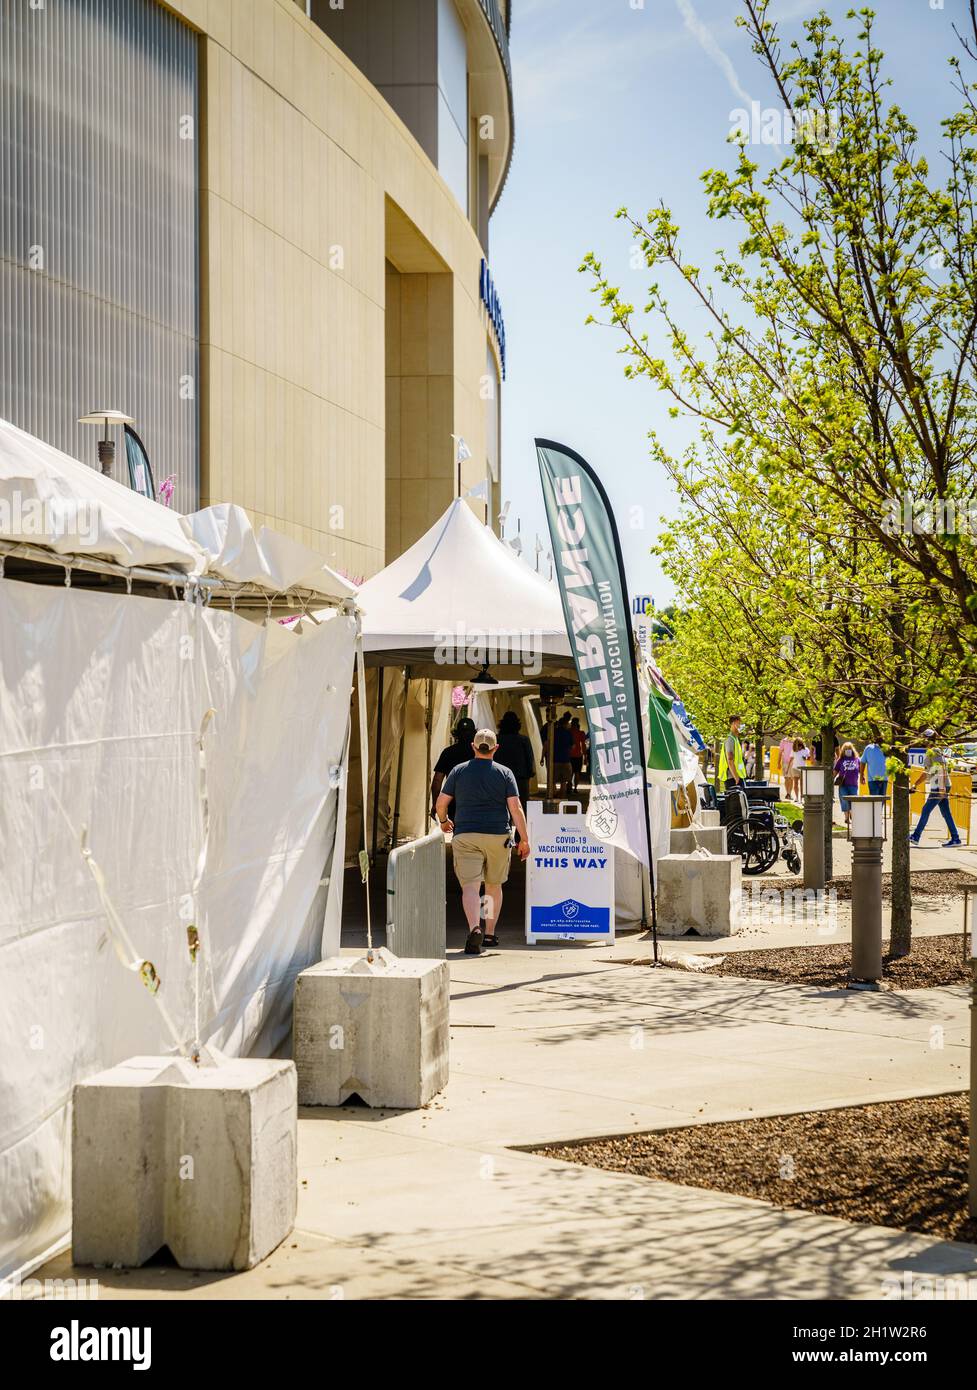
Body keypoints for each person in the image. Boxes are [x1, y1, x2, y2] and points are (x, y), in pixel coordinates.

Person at [436, 728, 531, 954]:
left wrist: (443, 821)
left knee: (470, 886)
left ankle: (474, 928)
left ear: (473, 747)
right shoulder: (505, 773)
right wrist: (524, 839)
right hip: (498, 835)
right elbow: (515, 808)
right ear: (496, 748)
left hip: (466, 835)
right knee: (493, 885)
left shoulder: (459, 771)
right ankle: (489, 934)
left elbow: (441, 802)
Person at [910, 730, 962, 847]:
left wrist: (942, 788)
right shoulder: (930, 752)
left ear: (928, 738)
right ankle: (955, 838)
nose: (921, 739)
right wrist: (915, 784)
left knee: (926, 810)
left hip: (939, 786)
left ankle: (916, 836)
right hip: (939, 785)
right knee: (946, 813)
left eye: (923, 737)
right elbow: (927, 772)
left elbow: (942, 769)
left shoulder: (935, 751)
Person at [430, 717, 475, 822]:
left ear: (457, 733)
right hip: (476, 800)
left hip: (454, 801)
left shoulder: (448, 752)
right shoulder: (480, 753)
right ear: (474, 733)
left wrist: (436, 803)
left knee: (458, 832)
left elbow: (437, 781)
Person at [495, 710, 536, 808]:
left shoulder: (497, 739)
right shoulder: (523, 740)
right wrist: (530, 773)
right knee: (521, 806)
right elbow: (529, 759)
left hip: (500, 777)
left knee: (502, 806)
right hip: (520, 778)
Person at [833, 741, 861, 828]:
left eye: (849, 749)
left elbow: (861, 770)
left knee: (853, 801)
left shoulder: (857, 760)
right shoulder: (840, 760)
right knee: (844, 800)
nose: (848, 751)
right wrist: (831, 779)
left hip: (853, 784)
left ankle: (853, 815)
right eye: (846, 749)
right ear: (843, 750)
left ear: (852, 750)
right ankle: (846, 817)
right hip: (843, 784)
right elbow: (835, 771)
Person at [718, 715, 746, 790]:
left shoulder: (735, 739)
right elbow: (730, 760)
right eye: (739, 723)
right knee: (735, 801)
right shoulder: (730, 740)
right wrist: (736, 777)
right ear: (734, 724)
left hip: (737, 777)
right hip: (732, 778)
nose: (741, 726)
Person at [552, 712, 574, 796]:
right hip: (566, 760)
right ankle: (562, 797)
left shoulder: (553, 732)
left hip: (555, 760)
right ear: (565, 724)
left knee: (552, 780)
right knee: (563, 781)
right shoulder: (568, 733)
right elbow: (573, 746)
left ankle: (553, 794)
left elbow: (547, 743)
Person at [569, 717, 588, 790]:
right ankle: (575, 788)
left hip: (569, 755)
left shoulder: (568, 732)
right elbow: (583, 745)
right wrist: (585, 757)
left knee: (570, 773)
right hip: (578, 756)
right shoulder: (581, 733)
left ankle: (569, 786)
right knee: (577, 772)